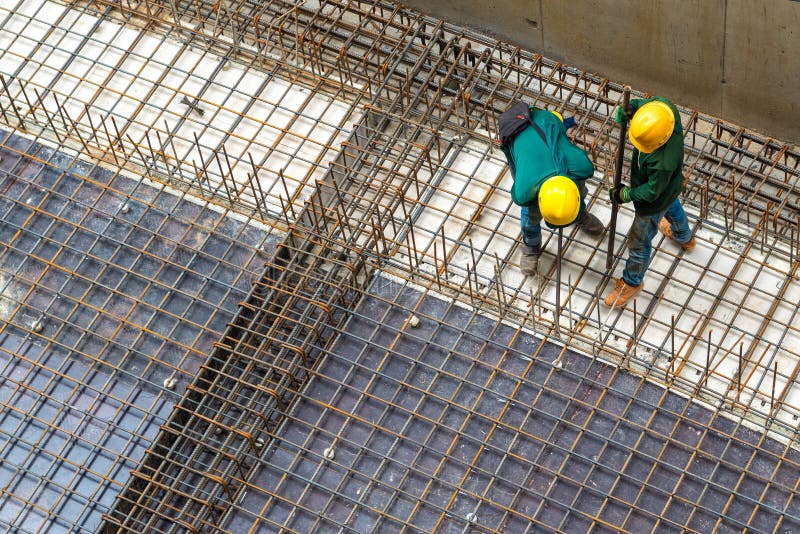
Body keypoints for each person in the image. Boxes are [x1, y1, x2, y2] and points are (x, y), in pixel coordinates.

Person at [604, 96, 695, 306]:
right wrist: (632, 108)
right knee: (671, 202)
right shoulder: (665, 113)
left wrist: (626, 194)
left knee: (639, 240)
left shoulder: (663, 162)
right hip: (670, 187)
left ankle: (632, 282)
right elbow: (651, 105)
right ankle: (684, 237)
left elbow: (651, 193)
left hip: (654, 200)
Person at [501, 107, 605, 276]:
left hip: (545, 120)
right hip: (515, 133)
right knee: (530, 217)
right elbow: (518, 192)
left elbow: (579, 177)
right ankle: (531, 246)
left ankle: (577, 215)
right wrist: (526, 183)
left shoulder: (581, 167)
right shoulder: (525, 190)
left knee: (579, 190)